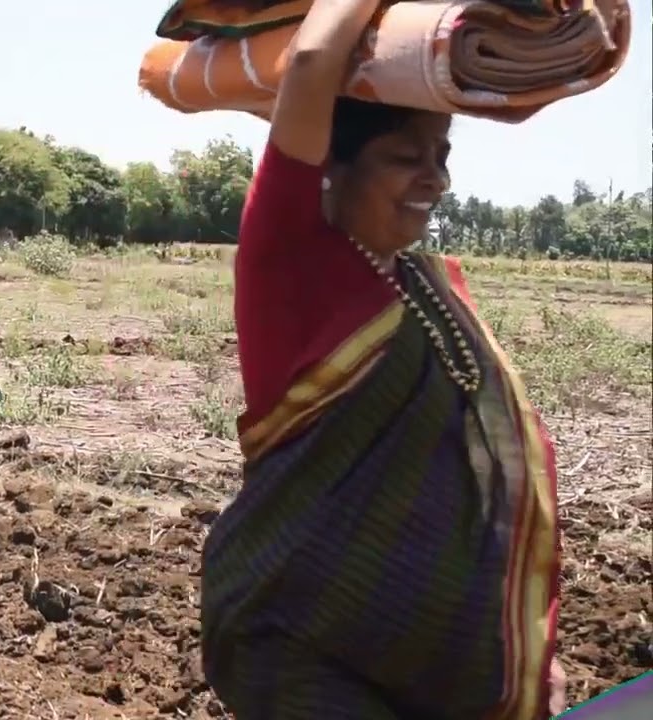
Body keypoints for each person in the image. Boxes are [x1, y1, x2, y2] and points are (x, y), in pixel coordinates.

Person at [198, 0, 565, 718]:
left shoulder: (425, 288)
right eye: (406, 157)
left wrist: (521, 651)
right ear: (331, 167)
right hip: (296, 639)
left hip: (425, 660)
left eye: (442, 156)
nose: (435, 180)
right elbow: (309, 64)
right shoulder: (290, 262)